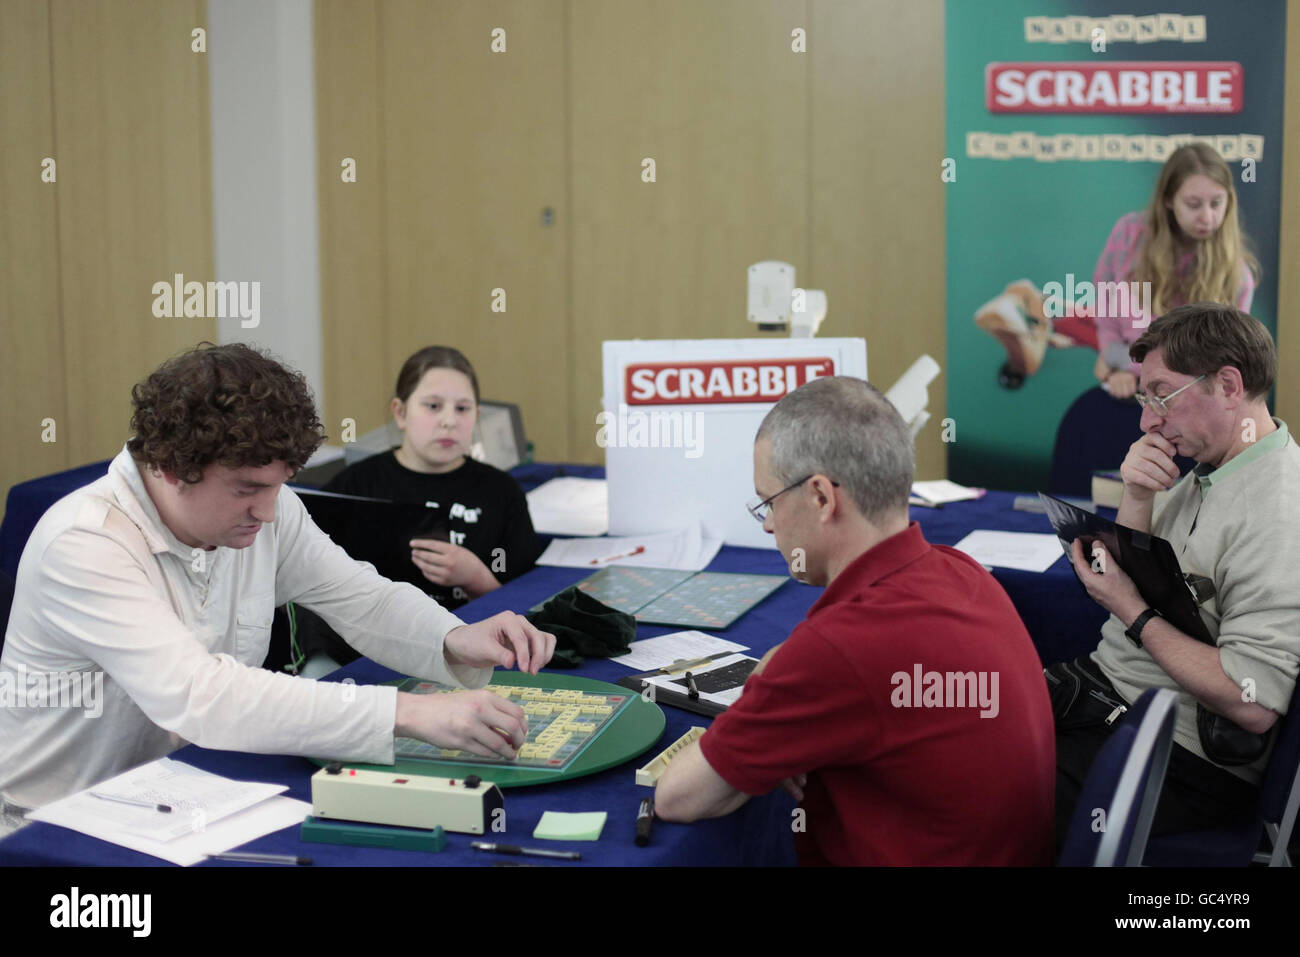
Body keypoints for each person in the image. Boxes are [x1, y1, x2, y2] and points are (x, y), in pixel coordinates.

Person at [0, 343, 555, 835]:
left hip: (189, 795)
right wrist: (408, 714)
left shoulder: (268, 507)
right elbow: (203, 697)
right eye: (247, 489)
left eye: (279, 487)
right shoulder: (84, 545)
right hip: (58, 827)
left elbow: (361, 597)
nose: (268, 513)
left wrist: (455, 636)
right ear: (170, 466)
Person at [654, 377, 1056, 865]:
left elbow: (676, 797)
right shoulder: (959, 569)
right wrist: (778, 695)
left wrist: (765, 719)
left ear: (822, 497)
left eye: (769, 502)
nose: (768, 524)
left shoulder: (842, 646)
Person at [1054, 303, 1299, 844]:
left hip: (1181, 755)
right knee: (953, 741)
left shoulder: (1280, 510)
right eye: (1145, 398)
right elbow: (1131, 576)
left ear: (1229, 386)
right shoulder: (1211, 468)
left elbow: (1251, 702)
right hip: (1111, 696)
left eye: (1160, 396)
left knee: (979, 787)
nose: (1147, 421)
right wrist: (1138, 496)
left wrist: (1133, 612)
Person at [299, 346, 542, 668]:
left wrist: (475, 577)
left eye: (462, 409)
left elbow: (527, 604)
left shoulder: (501, 492)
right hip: (367, 652)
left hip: (470, 654)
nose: (448, 421)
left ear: (477, 416)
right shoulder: (357, 485)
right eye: (433, 406)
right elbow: (315, 581)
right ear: (400, 412)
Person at [1059, 143, 1258, 399]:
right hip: (1127, 389)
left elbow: (1226, 361)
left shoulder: (1238, 276)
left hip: (1192, 401)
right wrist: (1112, 356)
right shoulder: (1129, 233)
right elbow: (1105, 303)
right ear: (1168, 200)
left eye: (1216, 203)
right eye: (1194, 204)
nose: (1207, 217)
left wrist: (1120, 361)